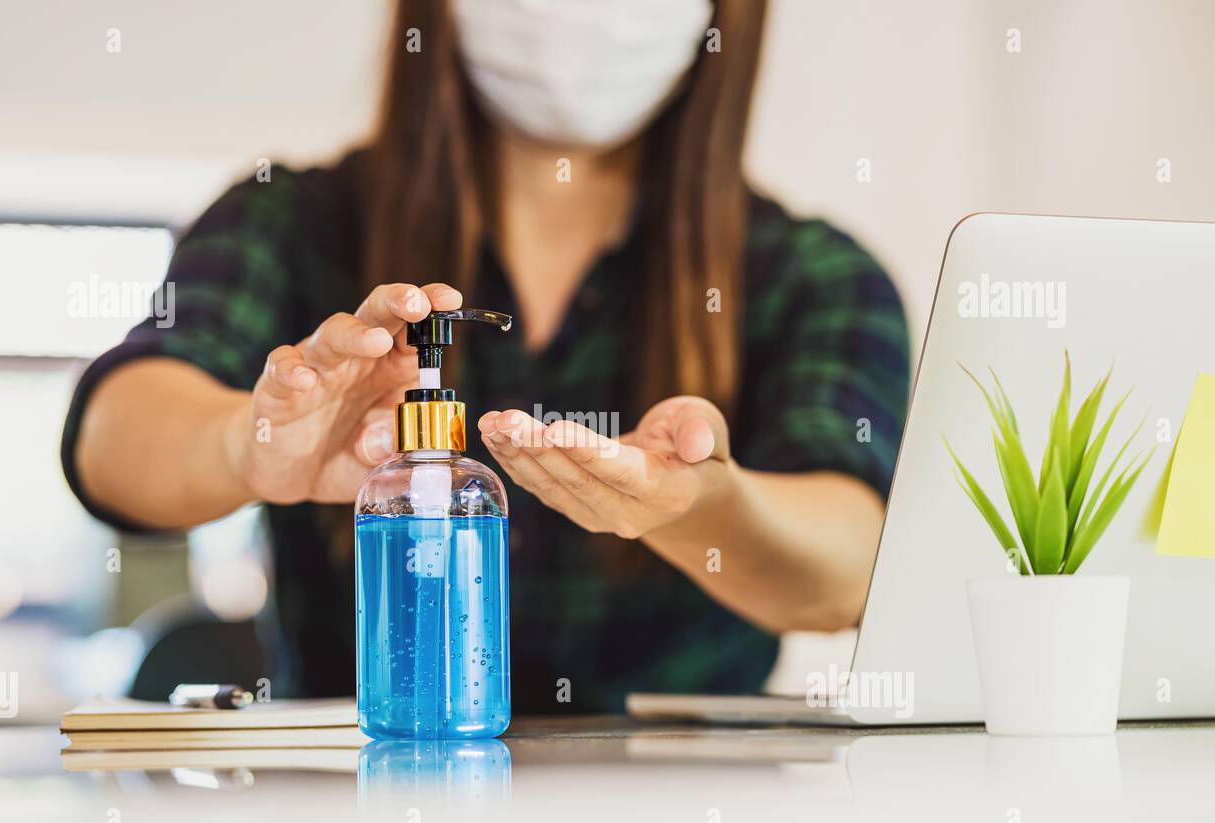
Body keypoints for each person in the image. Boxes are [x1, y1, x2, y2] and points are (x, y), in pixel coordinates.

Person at [62, 0, 910, 712]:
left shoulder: (814, 278)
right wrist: (247, 445)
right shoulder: (288, 224)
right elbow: (112, 442)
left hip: (687, 821)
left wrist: (698, 508)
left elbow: (849, 571)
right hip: (356, 813)